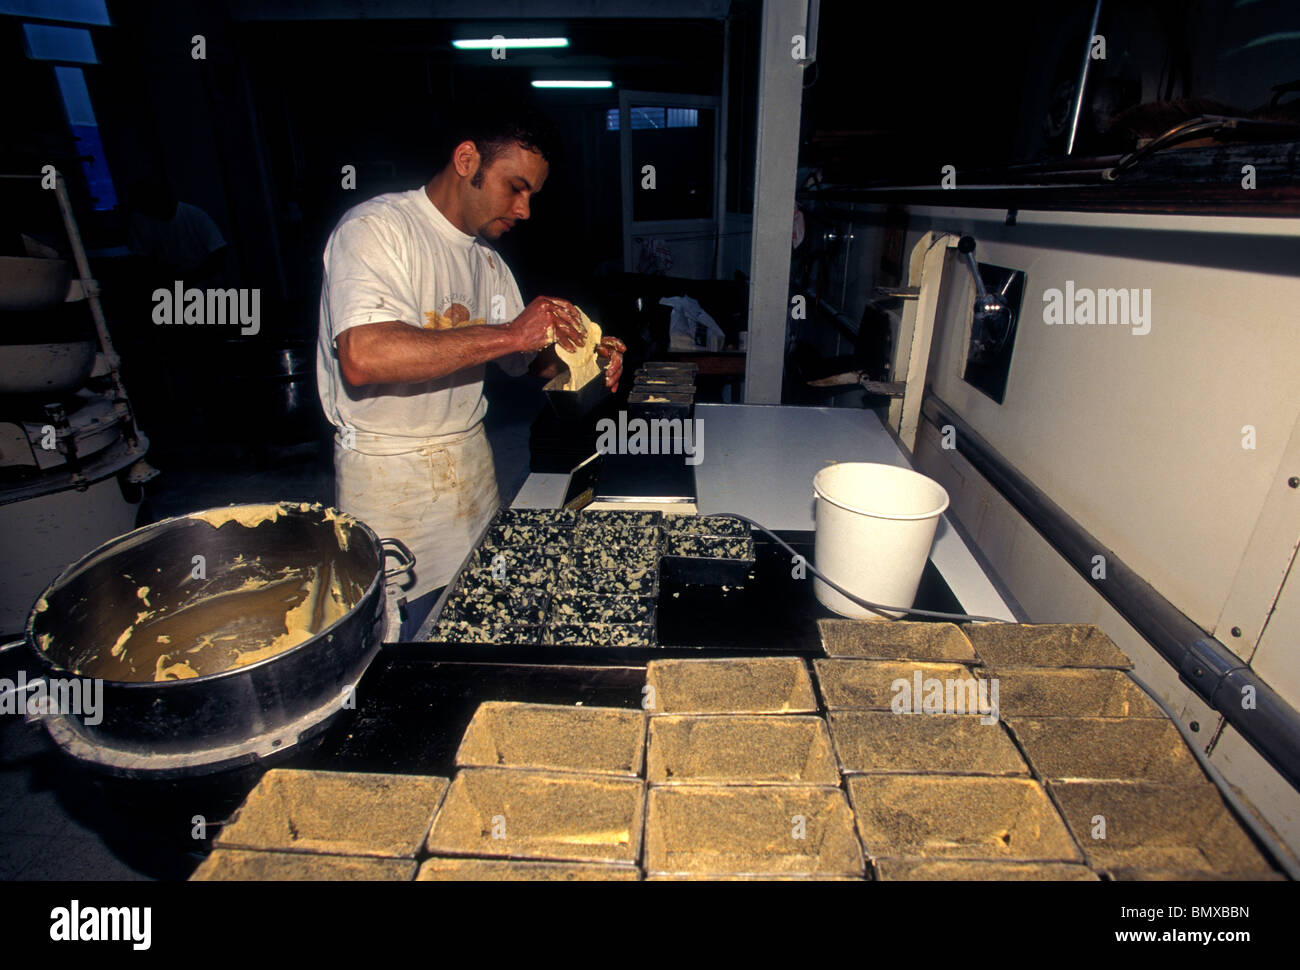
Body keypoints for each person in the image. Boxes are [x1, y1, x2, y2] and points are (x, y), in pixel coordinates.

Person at [316, 106, 625, 638]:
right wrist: (512, 333)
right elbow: (364, 356)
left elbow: (532, 364)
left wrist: (586, 361)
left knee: (476, 624)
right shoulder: (376, 230)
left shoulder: (488, 265)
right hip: (391, 484)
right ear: (467, 160)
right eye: (515, 187)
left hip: (472, 473)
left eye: (533, 196)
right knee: (402, 642)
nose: (525, 210)